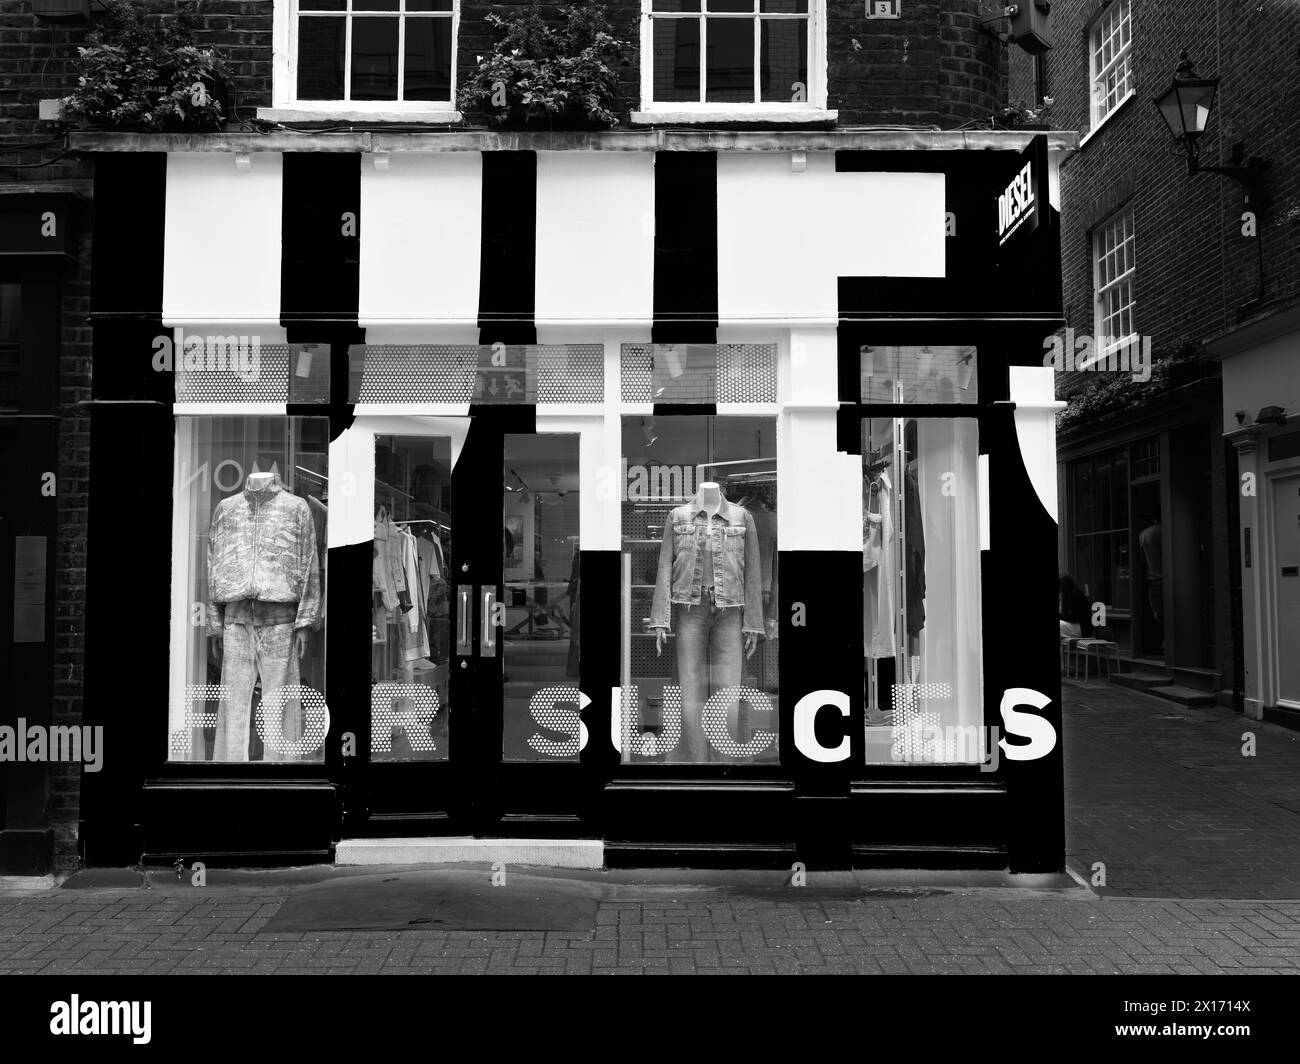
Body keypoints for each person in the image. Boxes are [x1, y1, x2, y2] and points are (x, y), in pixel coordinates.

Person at [1059, 573, 1093, 639]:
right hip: (1078, 627)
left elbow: (1074, 618)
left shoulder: (1076, 596)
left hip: (1083, 629)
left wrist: (1061, 616)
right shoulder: (1071, 595)